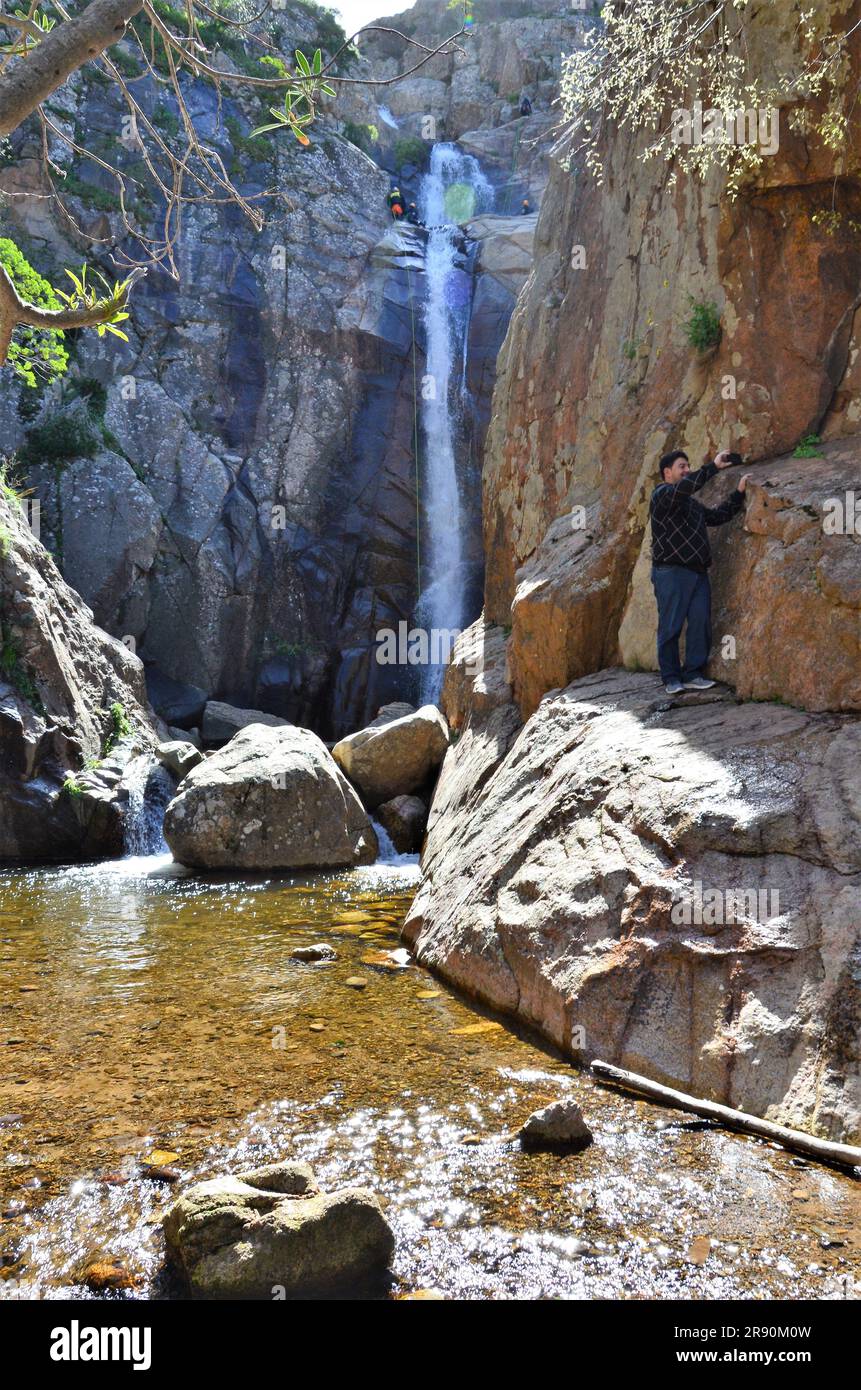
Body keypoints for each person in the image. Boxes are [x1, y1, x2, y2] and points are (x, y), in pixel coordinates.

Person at [649, 449, 749, 695]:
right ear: (667, 472)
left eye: (688, 466)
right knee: (670, 626)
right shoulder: (661, 496)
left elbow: (716, 517)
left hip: (698, 573)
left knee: (699, 623)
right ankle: (671, 678)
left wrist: (739, 495)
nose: (687, 470)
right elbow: (684, 489)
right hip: (671, 572)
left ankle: (693, 673)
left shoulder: (691, 505)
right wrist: (713, 467)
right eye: (682, 466)